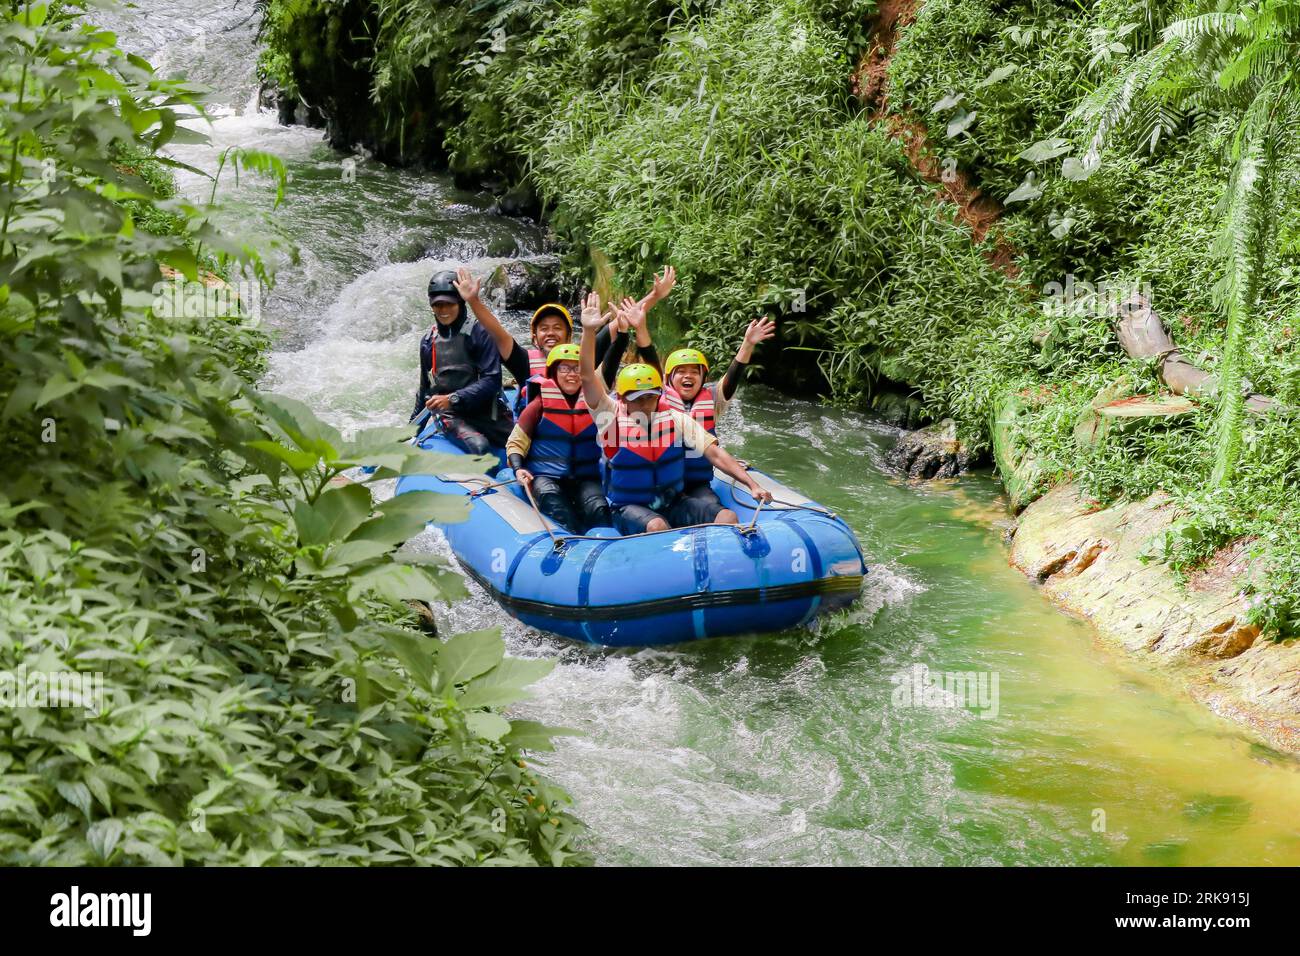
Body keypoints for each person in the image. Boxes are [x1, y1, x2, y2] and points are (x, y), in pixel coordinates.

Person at [578, 294, 771, 535]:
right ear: (623, 398)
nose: (646, 403)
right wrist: (588, 332)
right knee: (657, 525)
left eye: (650, 396)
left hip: (673, 501)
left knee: (727, 516)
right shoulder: (608, 415)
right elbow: (586, 376)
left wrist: (751, 484)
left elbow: (714, 453)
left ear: (659, 394)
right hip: (630, 506)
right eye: (638, 398)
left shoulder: (675, 419)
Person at [452, 266, 674, 411]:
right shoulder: (523, 360)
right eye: (544, 329)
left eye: (558, 328)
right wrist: (473, 301)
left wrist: (655, 295)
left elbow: (624, 318)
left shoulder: (583, 357)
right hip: (540, 432)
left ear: (569, 336)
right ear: (534, 337)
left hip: (581, 425)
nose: (550, 333)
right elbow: (497, 332)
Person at [662, 316, 776, 511]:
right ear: (669, 378)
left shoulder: (713, 399)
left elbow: (732, 378)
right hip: (663, 483)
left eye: (695, 372)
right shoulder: (652, 402)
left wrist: (747, 344)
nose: (688, 375)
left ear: (703, 378)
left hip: (697, 484)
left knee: (712, 508)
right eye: (681, 371)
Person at [506, 343, 610, 533]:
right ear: (553, 372)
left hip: (584, 476)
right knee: (552, 500)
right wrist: (518, 468)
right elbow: (515, 443)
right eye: (564, 368)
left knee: (599, 508)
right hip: (546, 476)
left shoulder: (596, 404)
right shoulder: (537, 405)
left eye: (577, 368)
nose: (572, 374)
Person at [411, 270, 514, 454]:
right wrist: (411, 432)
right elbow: (425, 389)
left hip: (485, 409)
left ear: (460, 302)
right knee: (480, 447)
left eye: (449, 304)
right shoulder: (428, 342)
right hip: (450, 415)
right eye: (438, 305)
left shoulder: (479, 333)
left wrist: (453, 398)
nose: (443, 311)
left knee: (526, 446)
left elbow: (492, 380)